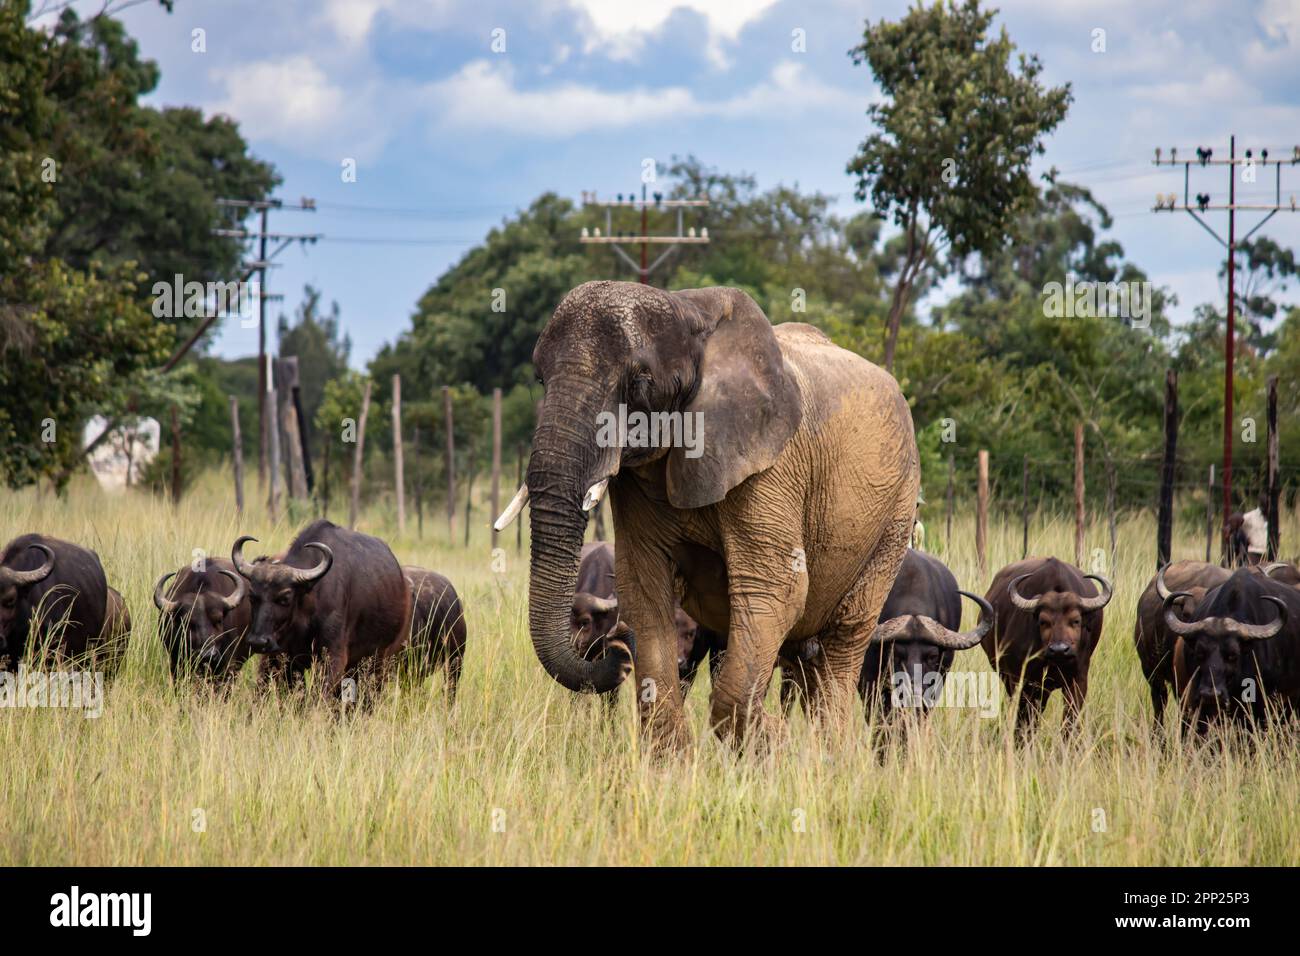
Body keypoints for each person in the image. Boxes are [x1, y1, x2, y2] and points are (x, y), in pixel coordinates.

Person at [1240, 492, 1269, 566]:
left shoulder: (1273, 518)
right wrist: (1245, 539)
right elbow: (1237, 523)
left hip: (1268, 554)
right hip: (1254, 553)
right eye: (1265, 503)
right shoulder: (1250, 516)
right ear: (1261, 504)